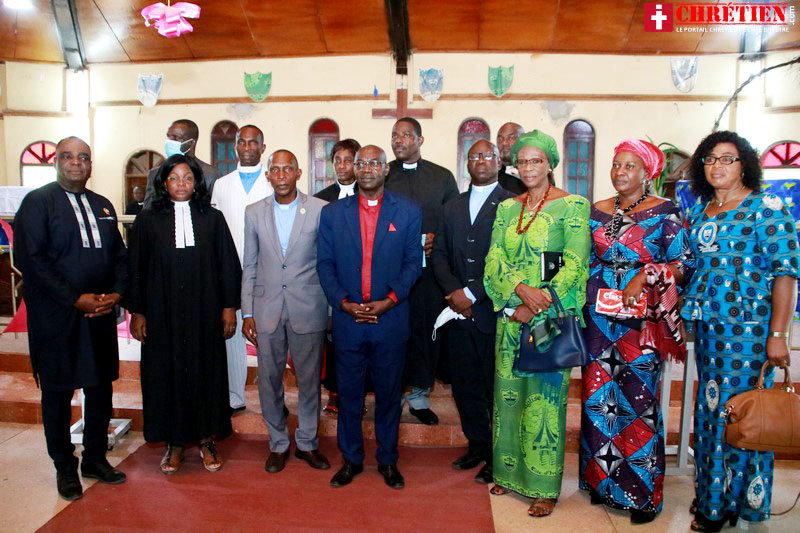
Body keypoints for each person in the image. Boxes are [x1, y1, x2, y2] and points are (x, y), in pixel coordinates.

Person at [681, 131, 798, 531]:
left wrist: (778, 335)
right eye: (710, 159)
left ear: (744, 163)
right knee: (712, 415)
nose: (717, 166)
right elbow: (692, 268)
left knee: (747, 415)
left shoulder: (767, 208)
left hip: (749, 333)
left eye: (727, 159)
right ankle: (712, 502)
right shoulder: (700, 212)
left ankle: (740, 503)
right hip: (711, 333)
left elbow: (786, 274)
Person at [579, 139, 695, 524]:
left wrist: (646, 274)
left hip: (641, 321)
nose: (620, 172)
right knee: (598, 400)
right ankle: (601, 484)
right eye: (616, 165)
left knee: (638, 402)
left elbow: (684, 263)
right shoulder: (598, 211)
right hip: (600, 319)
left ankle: (641, 494)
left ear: (648, 173)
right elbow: (588, 257)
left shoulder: (665, 212)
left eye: (630, 166)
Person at [483, 130, 590, 517]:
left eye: (535, 161)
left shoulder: (573, 206)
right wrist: (519, 293)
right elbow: (493, 261)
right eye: (522, 162)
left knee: (544, 405)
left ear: (550, 164)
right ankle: (509, 475)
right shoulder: (507, 208)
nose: (528, 168)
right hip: (511, 319)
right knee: (507, 400)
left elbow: (576, 265)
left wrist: (538, 303)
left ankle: (545, 488)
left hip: (548, 324)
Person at [14, 136, 127, 500]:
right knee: (59, 391)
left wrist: (116, 293)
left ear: (91, 164)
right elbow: (32, 261)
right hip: (57, 315)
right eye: (67, 156)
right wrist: (74, 298)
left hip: (100, 313)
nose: (76, 162)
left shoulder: (103, 206)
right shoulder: (38, 202)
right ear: (56, 163)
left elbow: (120, 258)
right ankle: (65, 466)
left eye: (83, 157)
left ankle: (94, 458)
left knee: (99, 387)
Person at [127, 154, 242, 475]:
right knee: (168, 374)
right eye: (174, 178)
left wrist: (229, 306)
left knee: (205, 372)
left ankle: (206, 439)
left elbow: (227, 265)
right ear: (163, 182)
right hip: (162, 315)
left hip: (204, 313)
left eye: (187, 178)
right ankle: (174, 444)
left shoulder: (211, 218)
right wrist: (138, 312)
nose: (181, 184)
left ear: (197, 183)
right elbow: (136, 268)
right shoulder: (148, 219)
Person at [317, 144, 422, 489]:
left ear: (386, 169)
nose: (366, 169)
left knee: (390, 396)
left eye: (374, 163)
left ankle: (388, 461)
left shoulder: (407, 211)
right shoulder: (332, 214)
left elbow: (411, 264)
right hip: (348, 321)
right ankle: (351, 459)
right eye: (361, 163)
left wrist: (389, 301)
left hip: (389, 321)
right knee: (348, 395)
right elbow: (325, 265)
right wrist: (343, 303)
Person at [241, 150, 330, 474]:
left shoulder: (320, 210)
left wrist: (332, 308)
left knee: (309, 381)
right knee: (268, 381)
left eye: (286, 169)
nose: (280, 174)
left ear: (297, 172)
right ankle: (278, 443)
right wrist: (246, 311)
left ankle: (307, 443)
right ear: (268, 174)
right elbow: (250, 264)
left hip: (308, 307)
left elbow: (327, 263)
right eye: (274, 169)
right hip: (266, 310)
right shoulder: (254, 212)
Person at [431, 140, 515, 485]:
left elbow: (511, 260)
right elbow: (438, 255)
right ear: (466, 162)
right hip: (457, 314)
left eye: (487, 155)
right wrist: (454, 294)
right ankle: (477, 446)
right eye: (474, 155)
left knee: (494, 388)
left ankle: (498, 457)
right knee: (465, 388)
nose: (480, 160)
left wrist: (472, 294)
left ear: (499, 162)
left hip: (492, 312)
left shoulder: (511, 203)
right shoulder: (452, 206)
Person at [385, 117, 459, 425]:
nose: (399, 140)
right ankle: (390, 392)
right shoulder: (384, 174)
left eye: (405, 135)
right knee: (393, 333)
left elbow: (454, 218)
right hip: (389, 271)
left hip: (429, 275)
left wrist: (437, 238)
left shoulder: (441, 177)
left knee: (424, 332)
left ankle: (418, 395)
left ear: (420, 140)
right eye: (395, 135)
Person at [211, 125, 273, 411]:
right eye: (242, 142)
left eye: (253, 142)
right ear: (236, 146)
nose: (247, 147)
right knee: (232, 333)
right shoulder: (222, 185)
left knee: (269, 336)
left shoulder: (275, 180)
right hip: (230, 270)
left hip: (268, 271)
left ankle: (272, 397)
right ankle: (234, 396)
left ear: (262, 147)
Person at [315, 138, 362, 415]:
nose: (343, 166)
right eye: (338, 160)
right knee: (332, 338)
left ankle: (358, 393)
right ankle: (334, 391)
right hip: (331, 281)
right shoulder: (321, 198)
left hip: (362, 281)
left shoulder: (369, 194)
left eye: (349, 160)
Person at [143, 119, 221, 209]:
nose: (171, 141)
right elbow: (147, 211)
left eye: (177, 138)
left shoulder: (210, 174)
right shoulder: (156, 173)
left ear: (192, 142)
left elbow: (216, 212)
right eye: (169, 137)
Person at [495, 122, 527, 195]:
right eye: (500, 139)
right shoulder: (489, 175)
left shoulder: (536, 174)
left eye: (511, 138)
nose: (504, 143)